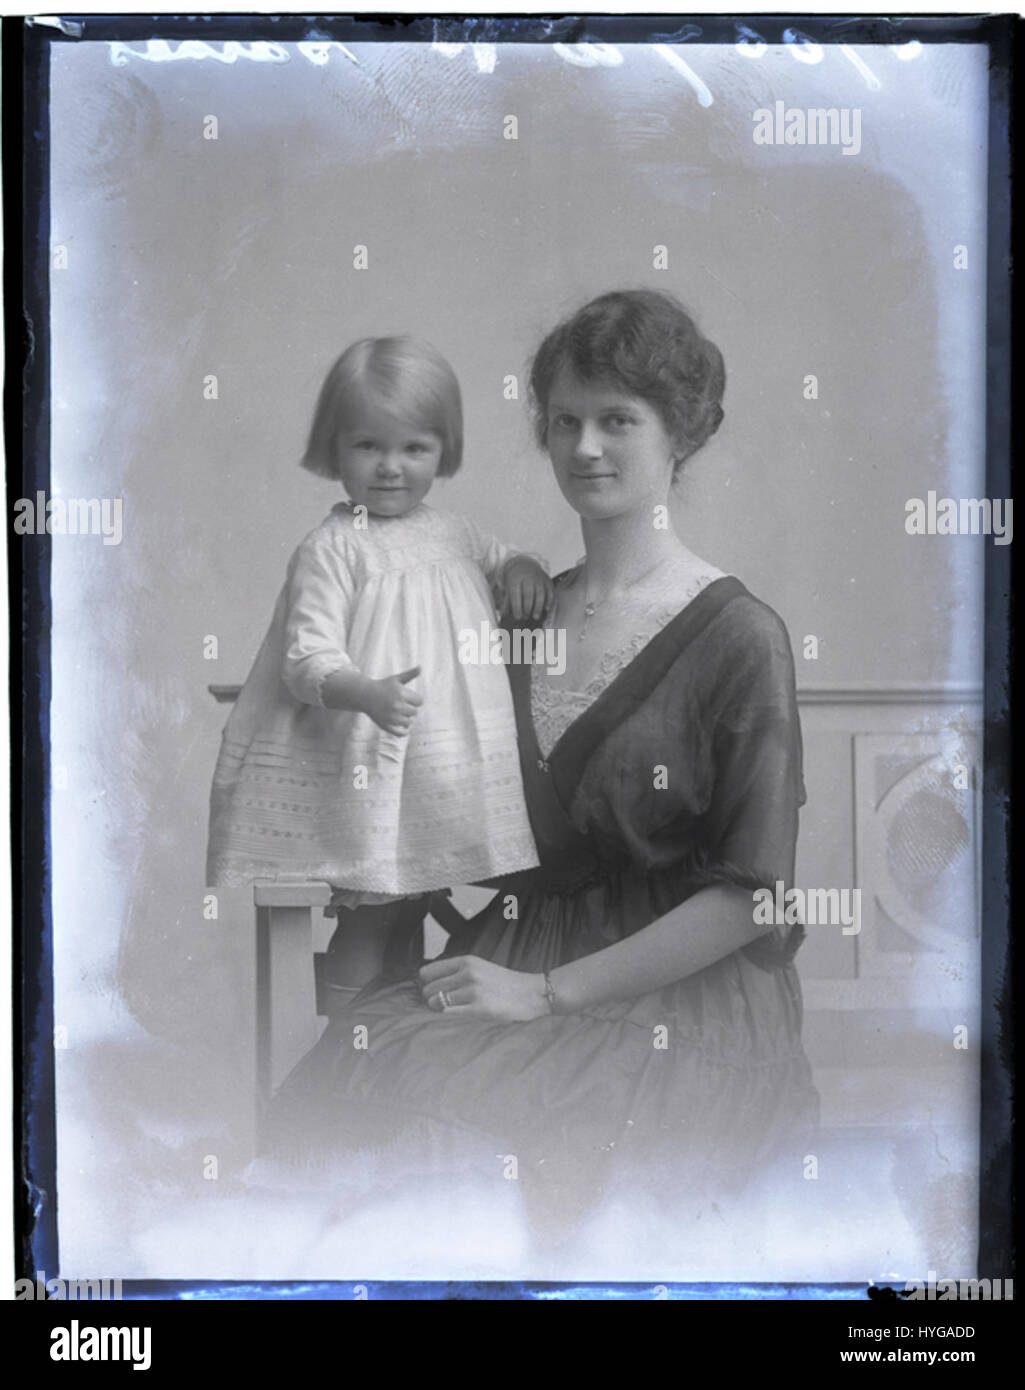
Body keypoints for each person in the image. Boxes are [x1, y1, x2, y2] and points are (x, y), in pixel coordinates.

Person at [267, 290, 819, 1261]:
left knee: (470, 1134)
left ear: (678, 434)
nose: (585, 447)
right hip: (507, 953)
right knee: (343, 1090)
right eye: (563, 421)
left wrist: (546, 993)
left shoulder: (739, 636)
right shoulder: (509, 613)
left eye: (618, 420)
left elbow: (748, 901)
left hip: (675, 997)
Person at [207, 335, 551, 987]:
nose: (390, 467)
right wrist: (364, 693)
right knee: (372, 914)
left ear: (442, 450)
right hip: (374, 766)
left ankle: (393, 1043)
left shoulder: (454, 533)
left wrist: (523, 565)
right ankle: (344, 1048)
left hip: (441, 769)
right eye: (368, 445)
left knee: (417, 906)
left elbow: (504, 555)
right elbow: (304, 660)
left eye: (413, 448)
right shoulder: (332, 550)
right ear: (332, 446)